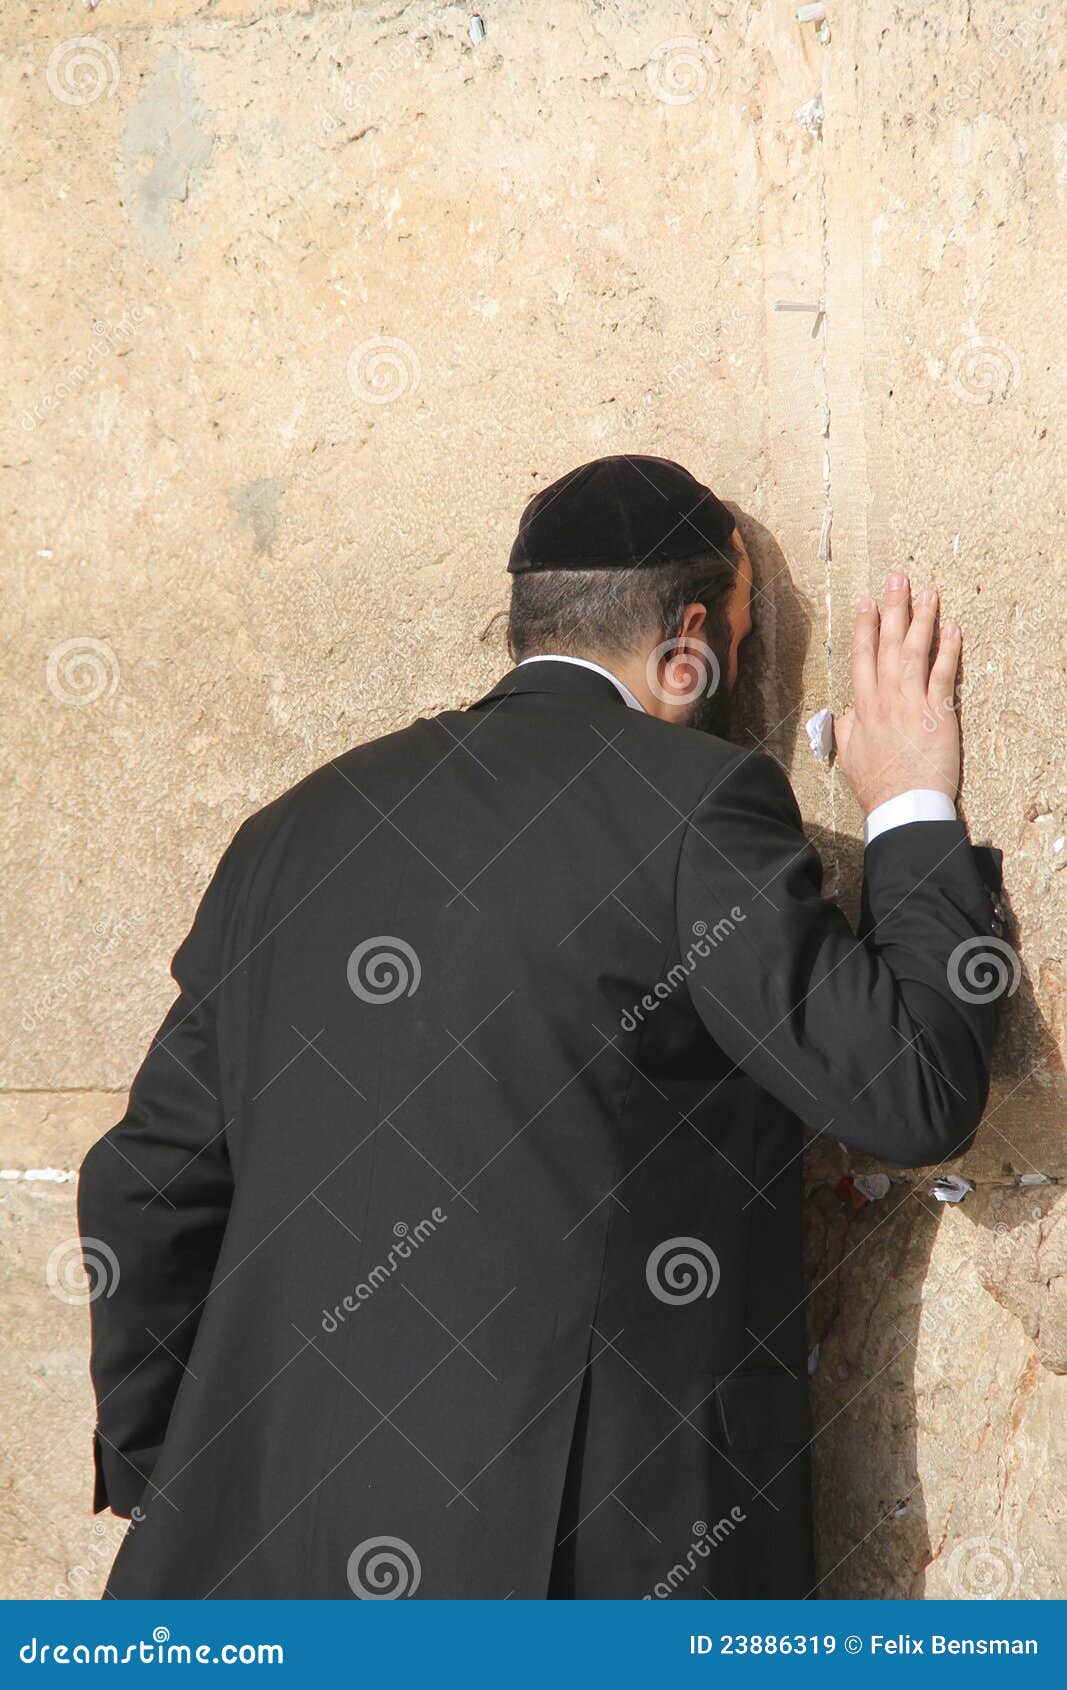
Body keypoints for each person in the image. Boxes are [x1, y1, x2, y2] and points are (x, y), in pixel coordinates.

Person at [78, 455, 1004, 1599]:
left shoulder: (292, 832)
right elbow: (907, 1090)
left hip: (251, 1564)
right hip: (560, 1572)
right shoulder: (693, 801)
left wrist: (177, 1467)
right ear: (695, 634)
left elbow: (145, 1182)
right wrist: (910, 803)